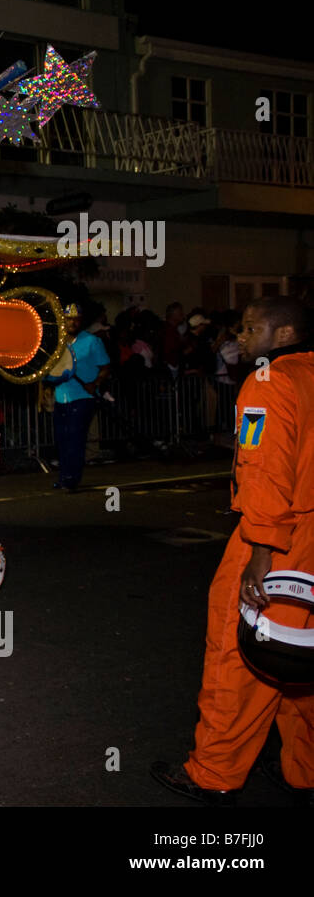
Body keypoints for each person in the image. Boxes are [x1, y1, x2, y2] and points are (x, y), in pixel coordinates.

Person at [153, 296, 314, 804]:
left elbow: (265, 470)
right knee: (300, 657)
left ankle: (214, 772)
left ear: (284, 334)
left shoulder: (270, 382)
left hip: (277, 536)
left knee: (239, 653)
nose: (240, 338)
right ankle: (305, 771)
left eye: (251, 329)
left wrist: (263, 550)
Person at [46, 303, 110, 492]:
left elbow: (106, 367)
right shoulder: (57, 343)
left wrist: (95, 383)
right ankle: (64, 476)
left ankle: (71, 479)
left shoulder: (91, 341)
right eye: (68, 319)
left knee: (75, 437)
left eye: (76, 319)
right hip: (61, 396)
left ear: (81, 321)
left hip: (82, 396)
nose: (72, 322)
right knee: (62, 438)